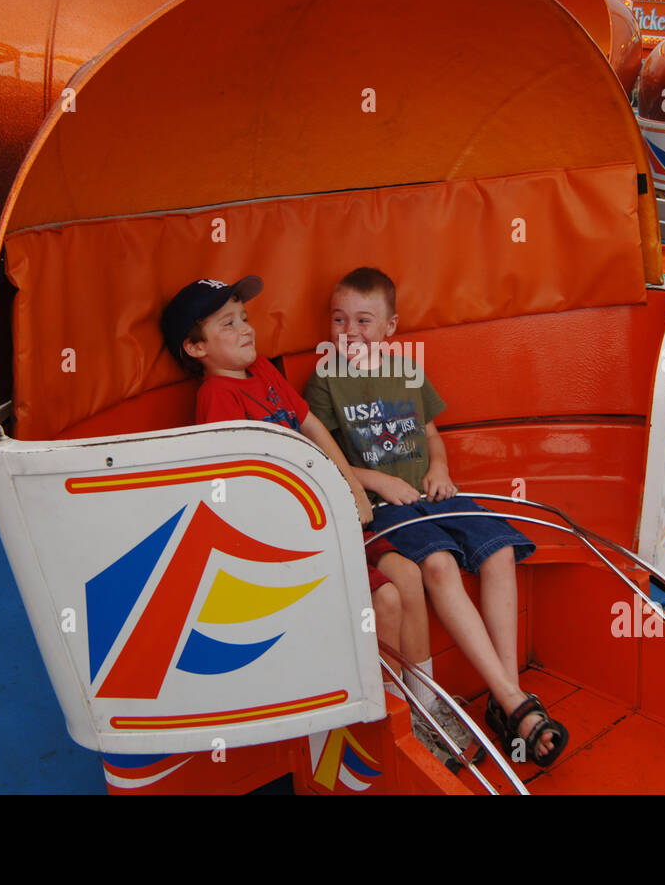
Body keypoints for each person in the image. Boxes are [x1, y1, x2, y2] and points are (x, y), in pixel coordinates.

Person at [159, 276, 464, 763]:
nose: (246, 330)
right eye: (228, 324)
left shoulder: (260, 370)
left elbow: (313, 427)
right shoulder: (217, 401)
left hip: (329, 513)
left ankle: (428, 707)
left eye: (244, 318)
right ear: (196, 347)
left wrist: (351, 489)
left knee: (407, 574)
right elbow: (243, 493)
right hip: (291, 539)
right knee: (385, 599)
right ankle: (393, 721)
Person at [304, 266, 570, 768]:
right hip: (384, 506)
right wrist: (379, 480)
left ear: (390, 327)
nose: (349, 332)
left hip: (434, 495)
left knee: (501, 549)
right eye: (339, 320)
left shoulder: (406, 369)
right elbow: (324, 459)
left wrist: (442, 470)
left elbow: (431, 436)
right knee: (441, 565)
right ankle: (516, 706)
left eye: (364, 320)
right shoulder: (323, 383)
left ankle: (504, 693)